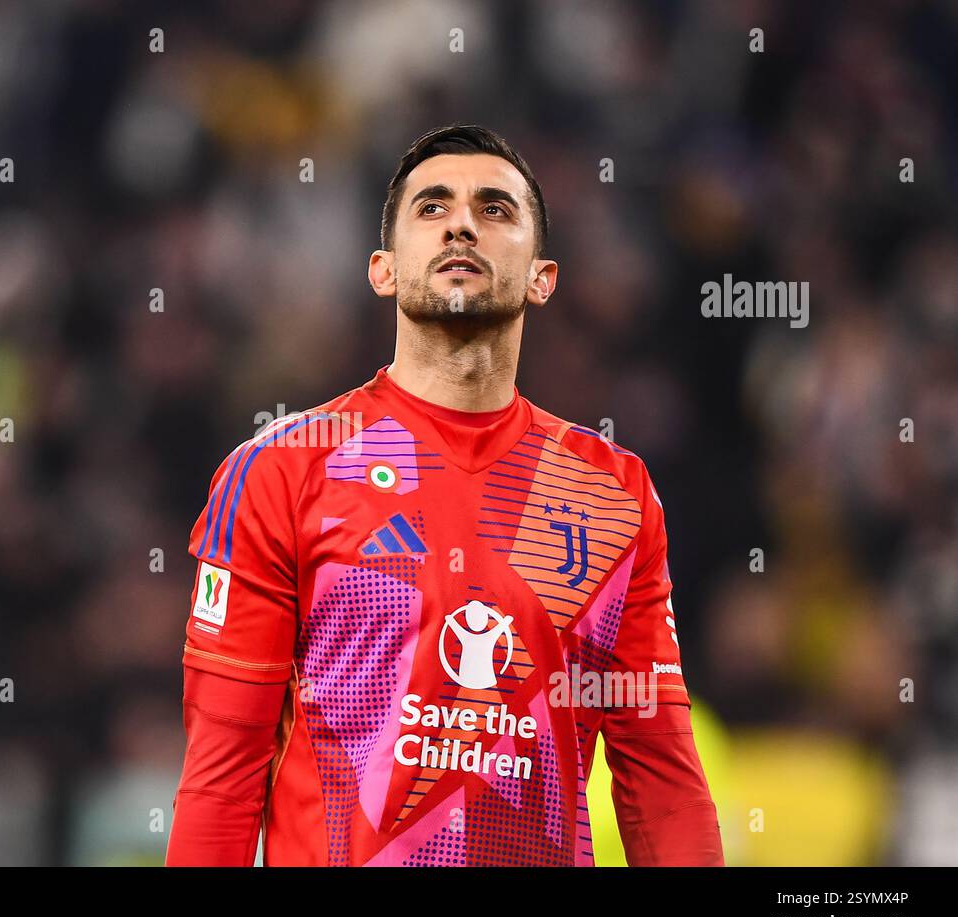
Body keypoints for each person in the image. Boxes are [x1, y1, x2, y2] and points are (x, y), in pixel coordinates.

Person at [165, 124, 724, 866]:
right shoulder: (281, 471)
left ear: (541, 277)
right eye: (432, 207)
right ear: (384, 270)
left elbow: (662, 780)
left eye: (495, 209)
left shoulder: (609, 491)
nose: (462, 222)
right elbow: (221, 778)